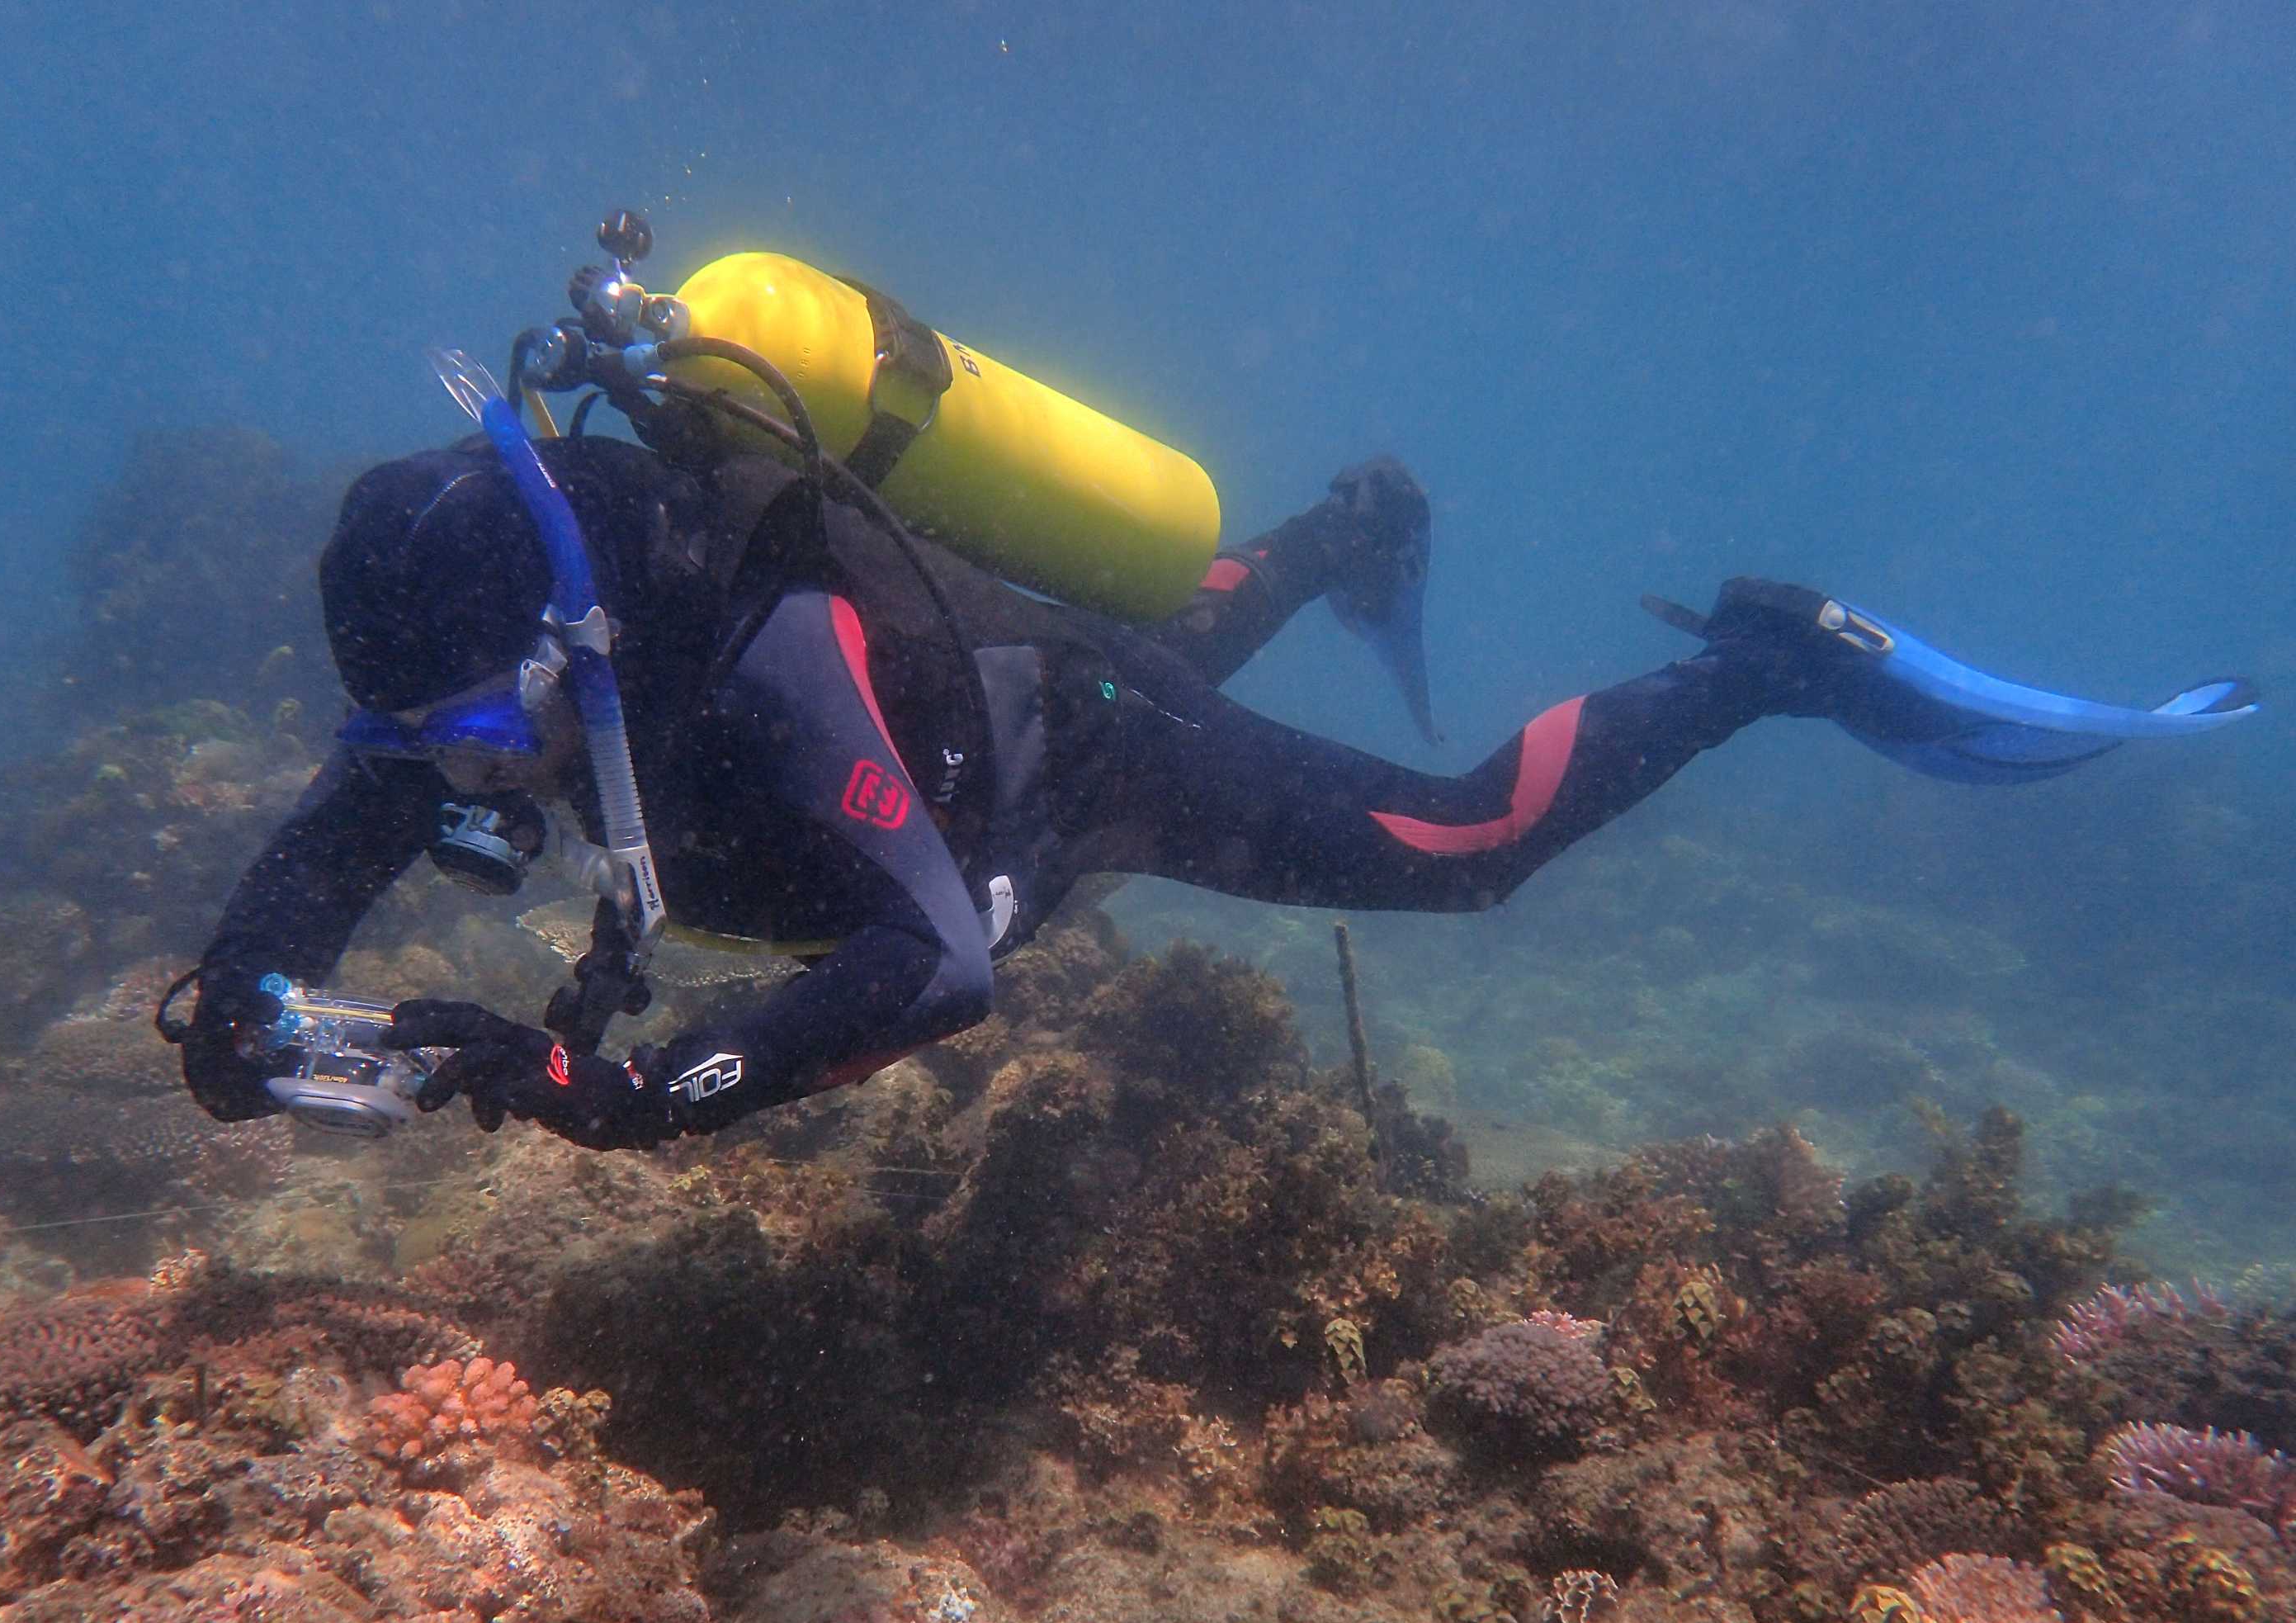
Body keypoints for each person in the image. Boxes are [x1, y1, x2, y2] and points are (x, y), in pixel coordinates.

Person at [174, 411, 2253, 1152]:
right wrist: (253, 984)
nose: (480, 786)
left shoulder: (765, 656)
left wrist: (620, 1094)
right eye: (436, 746)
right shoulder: (539, 659)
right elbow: (356, 811)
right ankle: (1353, 524)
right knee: (1146, 634)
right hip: (1013, 680)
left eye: (477, 735)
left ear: (563, 641)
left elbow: (935, 966)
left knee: (1456, 847)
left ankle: (1768, 661)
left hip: (1075, 772)